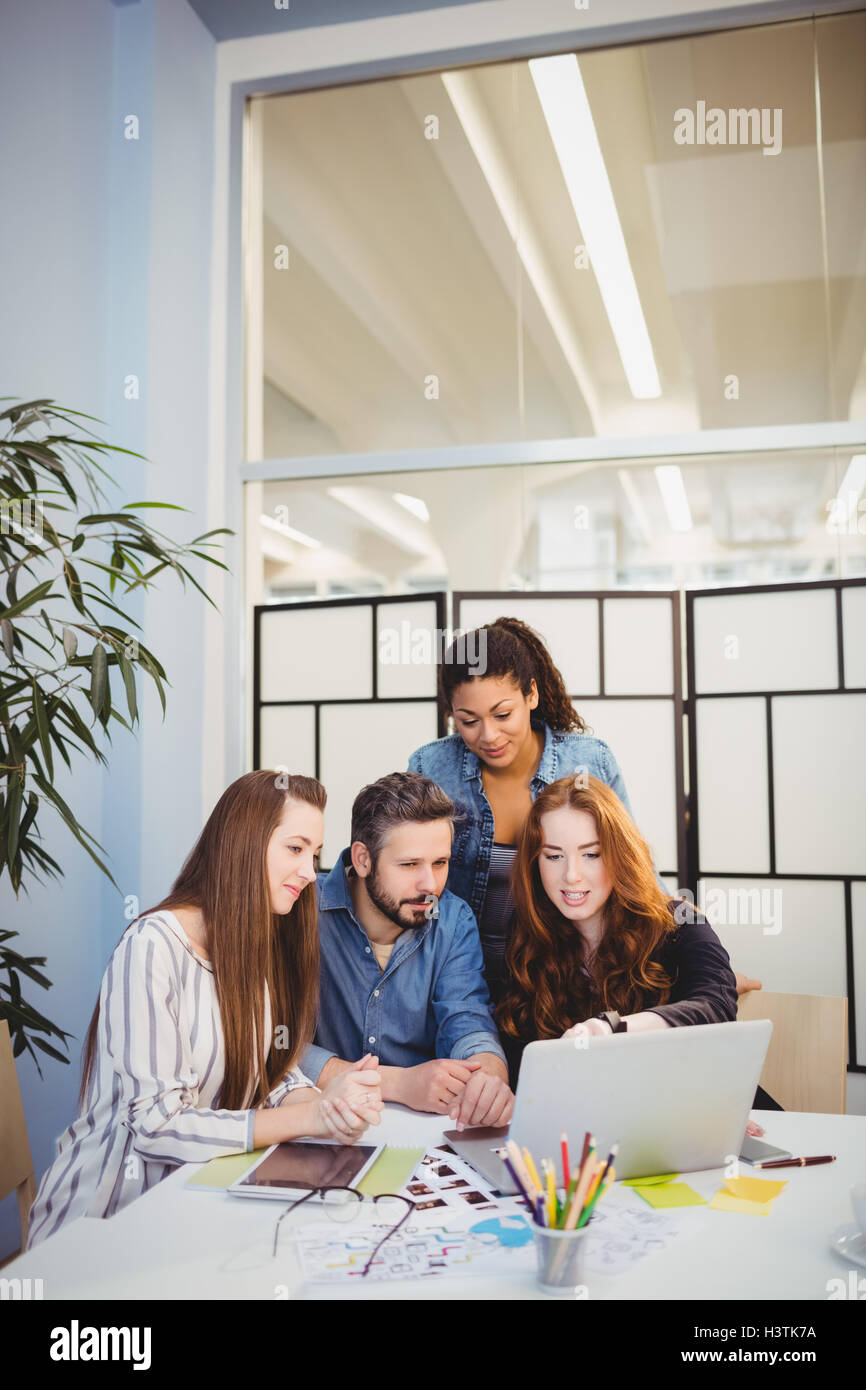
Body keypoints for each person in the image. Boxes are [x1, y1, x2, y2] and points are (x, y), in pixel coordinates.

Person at [26, 771, 383, 1250]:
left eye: (314, 855)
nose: (308, 871)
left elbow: (266, 1077)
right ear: (244, 843)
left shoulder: (250, 945)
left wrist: (329, 1102)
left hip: (194, 1206)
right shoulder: (152, 945)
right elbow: (157, 1125)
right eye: (295, 849)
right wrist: (311, 1118)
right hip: (106, 1223)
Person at [495, 773, 769, 1130]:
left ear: (619, 855)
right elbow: (524, 1065)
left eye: (591, 854)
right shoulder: (528, 938)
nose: (572, 875)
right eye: (554, 856)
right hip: (600, 1133)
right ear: (534, 862)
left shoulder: (679, 920)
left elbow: (716, 1006)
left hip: (711, 1119)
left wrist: (611, 1030)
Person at [408, 616, 650, 1008]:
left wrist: (693, 960)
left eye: (502, 715)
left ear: (531, 694)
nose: (488, 736)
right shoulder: (433, 767)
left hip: (560, 980)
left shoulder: (588, 762)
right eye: (468, 721)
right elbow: (402, 869)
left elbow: (635, 870)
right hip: (454, 980)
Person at [299, 772, 514, 1130]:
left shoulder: (454, 919)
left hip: (421, 1136)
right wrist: (397, 1083)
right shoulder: (302, 912)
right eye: (410, 865)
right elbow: (273, 1048)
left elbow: (466, 1018)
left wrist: (488, 1075)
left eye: (440, 863)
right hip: (317, 1127)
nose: (429, 885)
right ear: (363, 859)